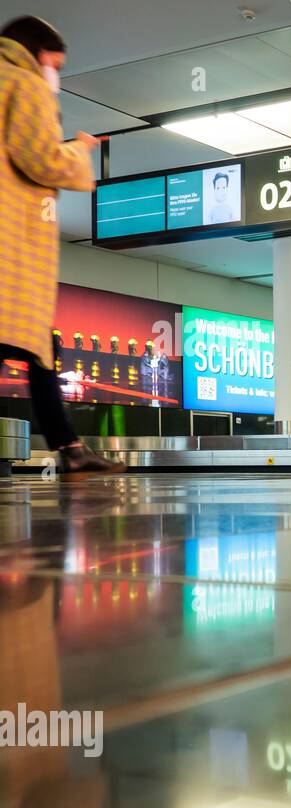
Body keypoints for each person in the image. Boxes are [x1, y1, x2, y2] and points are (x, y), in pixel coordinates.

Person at [0, 16, 123, 479]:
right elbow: (40, 157)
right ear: (34, 52)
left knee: (40, 346)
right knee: (32, 343)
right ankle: (70, 449)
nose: (56, 74)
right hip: (11, 246)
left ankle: (69, 447)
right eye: (55, 63)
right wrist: (78, 149)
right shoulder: (23, 82)